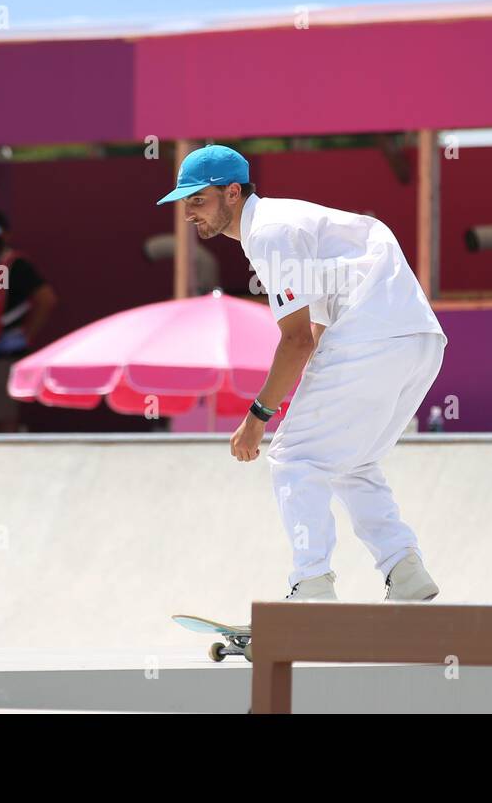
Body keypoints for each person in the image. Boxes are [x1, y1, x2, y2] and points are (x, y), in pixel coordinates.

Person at [157, 145, 447, 601]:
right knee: (353, 461)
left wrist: (257, 418)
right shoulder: (293, 220)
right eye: (185, 203)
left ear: (233, 193)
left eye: (198, 200)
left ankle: (310, 584)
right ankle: (404, 568)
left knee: (293, 457)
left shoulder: (269, 234)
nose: (188, 214)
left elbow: (297, 340)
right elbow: (315, 328)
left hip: (371, 337)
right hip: (419, 341)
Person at [0, 209, 58, 432]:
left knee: (3, 418)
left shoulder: (16, 265)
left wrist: (27, 335)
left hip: (2, 355)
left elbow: (47, 299)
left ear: (7, 234)